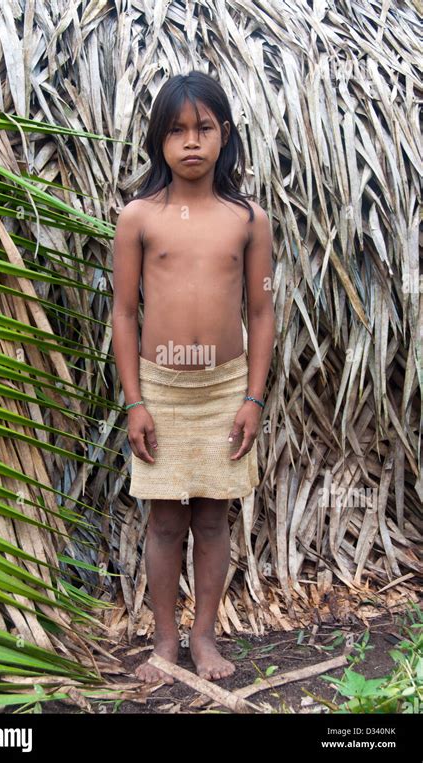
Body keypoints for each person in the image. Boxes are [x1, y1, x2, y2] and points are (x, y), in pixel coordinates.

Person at [112, 70, 275, 684]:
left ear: (223, 134)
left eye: (204, 128)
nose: (191, 142)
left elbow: (260, 311)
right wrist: (135, 403)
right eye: (176, 130)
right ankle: (164, 642)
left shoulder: (248, 218)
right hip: (160, 390)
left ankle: (204, 637)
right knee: (163, 520)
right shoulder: (139, 218)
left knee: (213, 517)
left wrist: (253, 397)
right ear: (159, 141)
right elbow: (124, 314)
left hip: (226, 389)